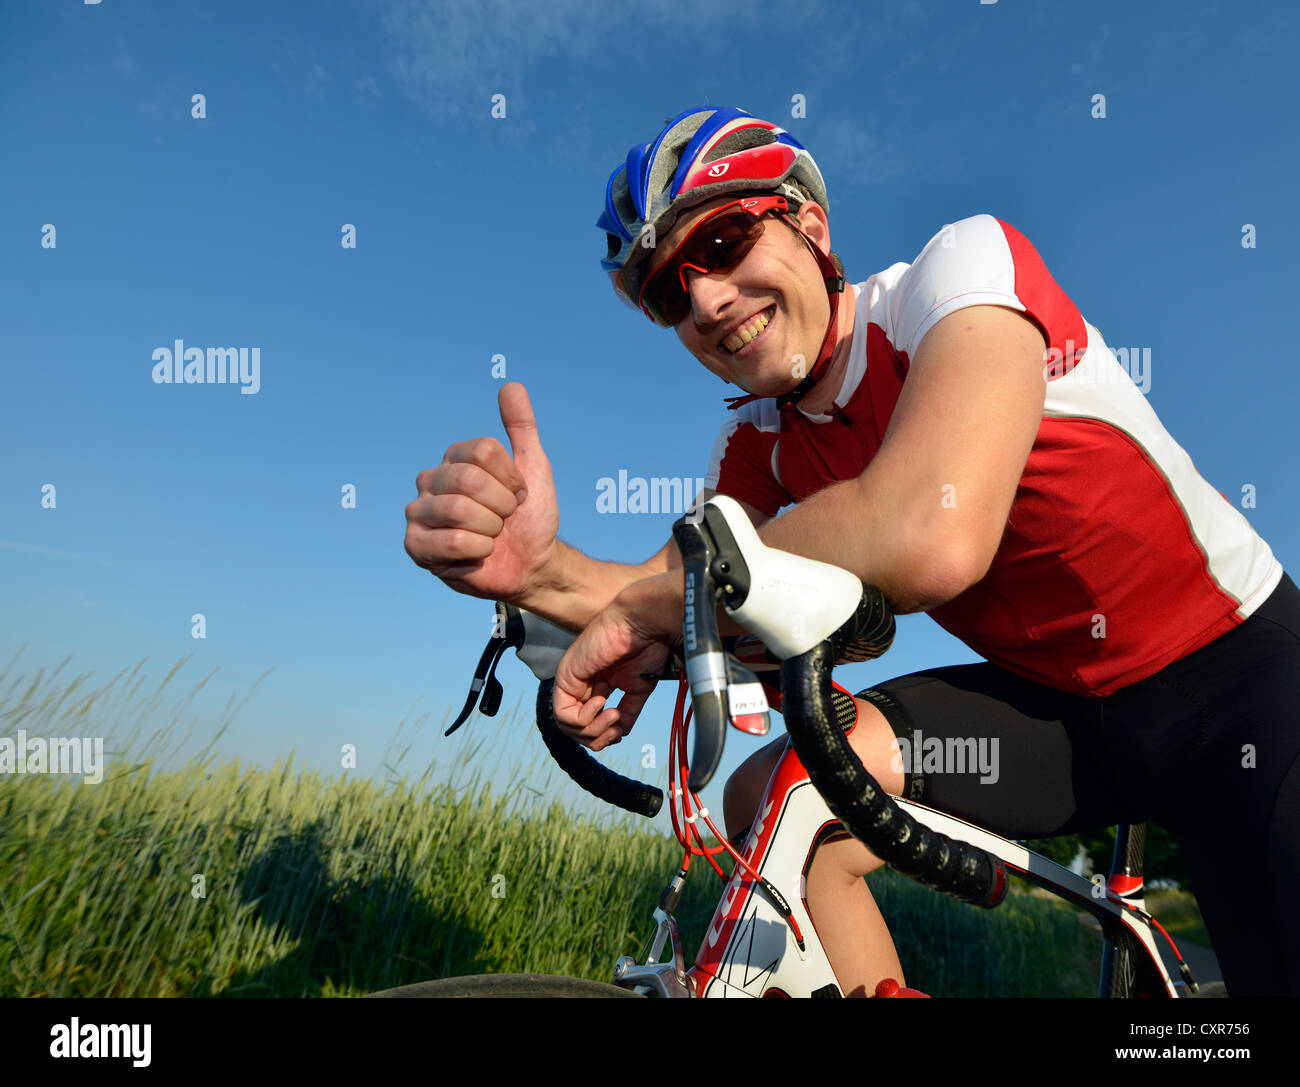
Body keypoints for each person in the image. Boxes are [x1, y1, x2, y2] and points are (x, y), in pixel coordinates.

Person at [404, 106, 1300, 997]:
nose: (707, 301)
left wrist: (650, 601)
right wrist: (544, 572)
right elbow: (687, 596)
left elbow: (930, 533)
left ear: (810, 224)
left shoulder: (956, 276)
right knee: (780, 797)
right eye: (671, 293)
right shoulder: (755, 440)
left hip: (1235, 680)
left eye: (720, 244)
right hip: (1059, 719)